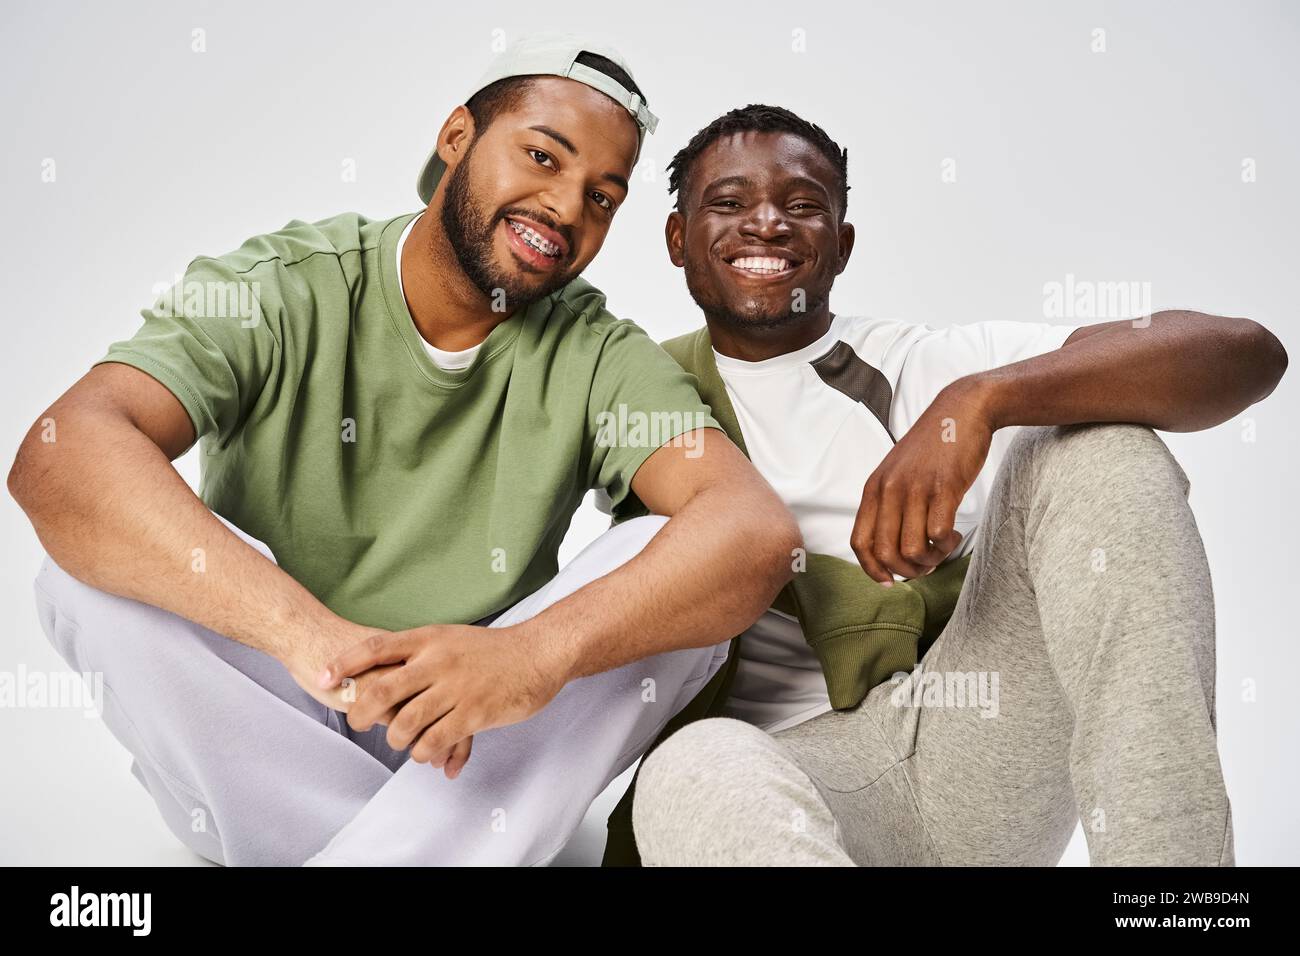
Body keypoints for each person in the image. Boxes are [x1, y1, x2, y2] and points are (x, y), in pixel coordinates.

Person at [8, 39, 801, 867]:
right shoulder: (285, 286)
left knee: (669, 560)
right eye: (541, 156)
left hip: (474, 735)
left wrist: (530, 656)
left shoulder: (596, 352)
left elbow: (753, 530)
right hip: (274, 711)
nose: (566, 209)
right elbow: (63, 452)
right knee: (85, 568)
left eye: (601, 197)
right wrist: (316, 645)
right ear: (456, 136)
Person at [625, 104, 1288, 866]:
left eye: (803, 205)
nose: (767, 224)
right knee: (694, 761)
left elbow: (1245, 353)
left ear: (840, 245)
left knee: (1101, 442)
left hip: (970, 746)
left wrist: (979, 400)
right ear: (678, 239)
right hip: (785, 793)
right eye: (730, 202)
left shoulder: (919, 365)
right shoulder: (638, 387)